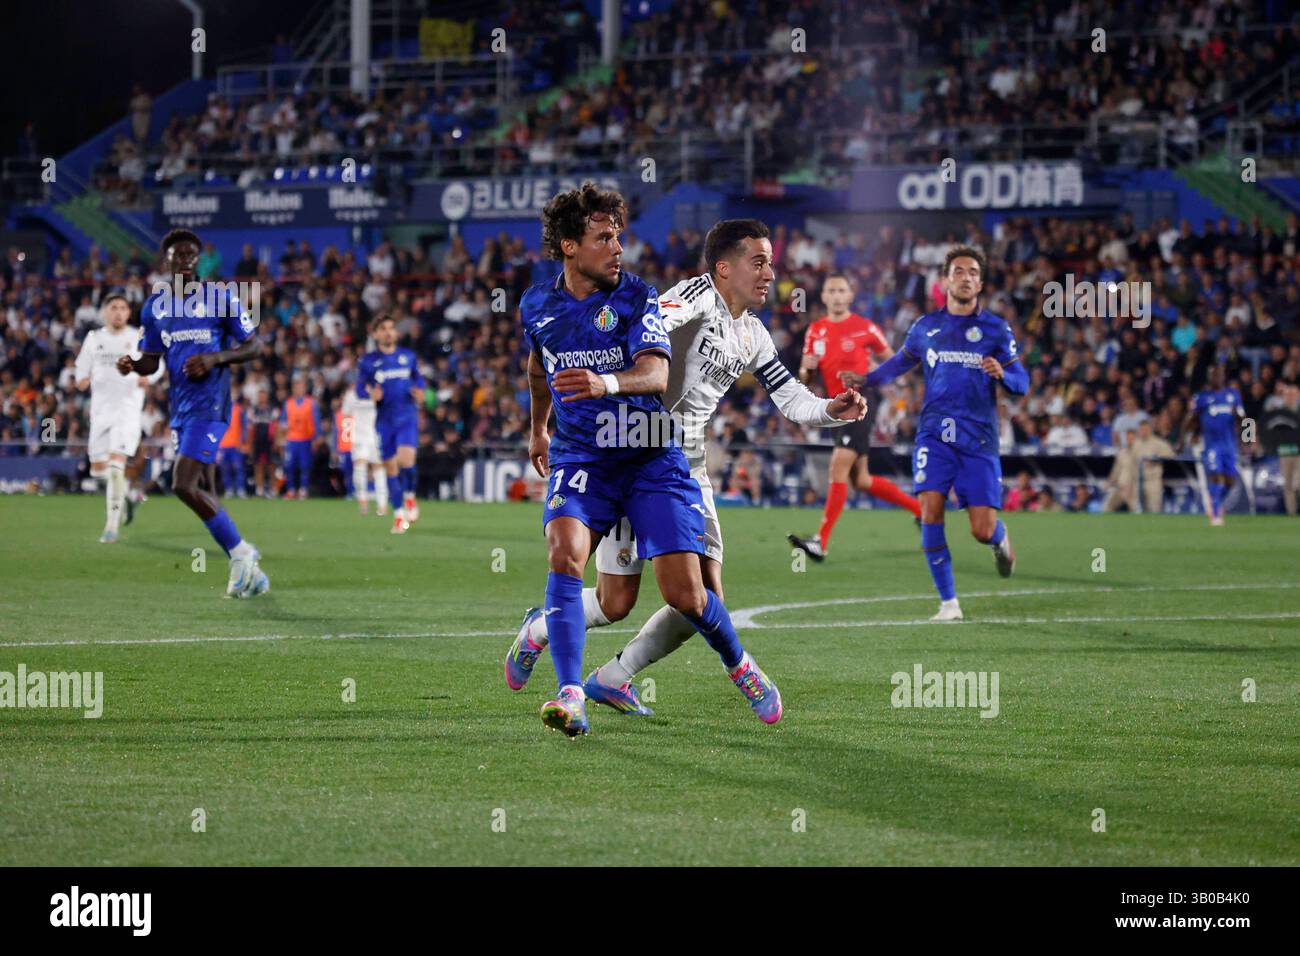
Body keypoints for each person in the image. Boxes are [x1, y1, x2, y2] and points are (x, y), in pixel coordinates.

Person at [505, 219, 864, 716]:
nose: (770, 274)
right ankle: (543, 629)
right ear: (724, 268)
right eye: (759, 262)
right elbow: (646, 321)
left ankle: (613, 676)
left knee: (701, 594)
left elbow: (790, 398)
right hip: (624, 450)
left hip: (681, 464)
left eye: (770, 263)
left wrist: (830, 409)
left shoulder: (754, 335)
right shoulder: (693, 298)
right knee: (614, 602)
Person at [514, 184, 785, 736]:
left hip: (650, 455)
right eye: (603, 238)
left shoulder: (638, 296)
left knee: (687, 595)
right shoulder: (536, 304)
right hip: (584, 455)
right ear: (569, 246)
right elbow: (539, 368)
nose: (618, 248)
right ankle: (571, 695)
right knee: (565, 554)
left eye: (619, 236)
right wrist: (538, 428)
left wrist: (604, 381)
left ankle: (741, 666)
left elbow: (657, 373)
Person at [863, 245, 1028, 621]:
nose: (966, 277)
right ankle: (949, 603)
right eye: (958, 271)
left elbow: (1022, 381)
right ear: (944, 281)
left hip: (979, 439)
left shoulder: (996, 329)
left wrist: (1004, 375)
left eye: (973, 273)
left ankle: (998, 537)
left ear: (980, 284)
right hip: (934, 435)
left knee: (980, 530)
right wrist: (866, 380)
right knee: (930, 508)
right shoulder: (926, 327)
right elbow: (899, 363)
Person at [117, 229, 268, 597]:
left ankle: (241, 554)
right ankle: (254, 576)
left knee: (182, 484)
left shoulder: (222, 297)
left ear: (198, 260)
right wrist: (132, 365)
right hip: (180, 408)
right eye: (177, 255)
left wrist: (216, 358)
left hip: (211, 404)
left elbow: (255, 346)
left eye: (190, 254)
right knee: (204, 489)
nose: (184, 260)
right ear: (166, 261)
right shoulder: (155, 306)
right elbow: (152, 360)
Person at [788, 273, 921, 562]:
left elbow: (894, 361)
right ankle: (921, 511)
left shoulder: (865, 328)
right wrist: (806, 369)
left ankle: (820, 542)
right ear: (824, 297)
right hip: (833, 408)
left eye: (842, 290)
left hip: (859, 404)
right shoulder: (816, 331)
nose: (837, 295)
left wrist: (875, 373)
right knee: (861, 479)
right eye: (831, 290)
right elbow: (805, 377)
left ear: (850, 295)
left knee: (838, 468)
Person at [74, 293, 153, 542]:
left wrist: (148, 376)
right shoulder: (94, 338)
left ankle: (111, 526)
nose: (118, 312)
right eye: (113, 307)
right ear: (105, 312)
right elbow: (81, 367)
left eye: (122, 308)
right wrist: (81, 379)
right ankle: (129, 496)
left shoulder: (137, 337)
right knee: (98, 471)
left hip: (127, 412)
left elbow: (155, 364)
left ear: (128, 313)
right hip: (100, 414)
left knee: (117, 466)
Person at [356, 315, 424, 533]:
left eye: (391, 328)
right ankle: (398, 516)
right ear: (375, 334)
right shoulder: (368, 361)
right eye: (383, 328)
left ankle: (410, 496)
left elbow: (418, 378)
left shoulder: (408, 356)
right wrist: (370, 393)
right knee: (391, 469)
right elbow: (359, 388)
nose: (388, 332)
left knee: (406, 461)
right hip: (385, 421)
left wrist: (419, 391)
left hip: (407, 418)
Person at [1181, 364, 1245, 525]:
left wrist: (1248, 439)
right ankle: (1215, 514)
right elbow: (1190, 419)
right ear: (1209, 377)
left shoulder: (1233, 395)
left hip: (1230, 445)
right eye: (1213, 375)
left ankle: (1217, 502)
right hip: (1212, 445)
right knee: (1215, 475)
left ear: (1224, 377)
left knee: (1230, 480)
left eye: (1219, 374)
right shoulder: (1201, 397)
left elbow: (1246, 419)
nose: (1216, 377)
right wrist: (1182, 440)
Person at [281, 376, 319, 499]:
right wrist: (281, 440)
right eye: (296, 387)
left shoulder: (311, 403)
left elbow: (316, 422)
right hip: (291, 439)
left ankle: (303, 489)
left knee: (305, 466)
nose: (298, 389)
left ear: (305, 388)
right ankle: (291, 489)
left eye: (301, 387)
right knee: (289, 466)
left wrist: (315, 438)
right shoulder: (288, 403)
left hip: (306, 439)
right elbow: (282, 422)